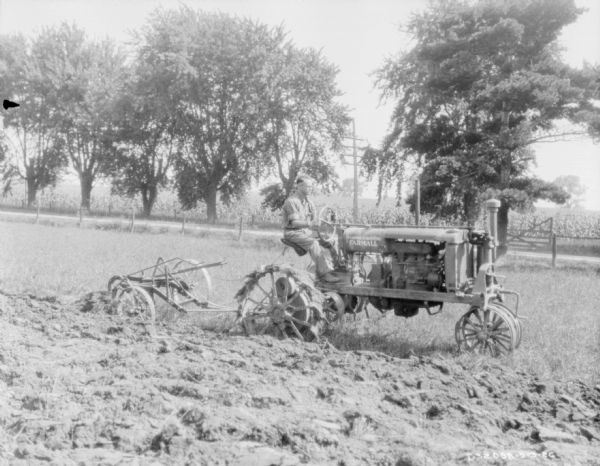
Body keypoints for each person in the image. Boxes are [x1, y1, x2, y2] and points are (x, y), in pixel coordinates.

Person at [282, 176, 341, 283]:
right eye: (308, 186)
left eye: (311, 187)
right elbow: (295, 223)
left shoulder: (309, 202)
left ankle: (338, 267)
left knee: (332, 241)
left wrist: (329, 219)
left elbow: (316, 219)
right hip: (293, 232)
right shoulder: (292, 201)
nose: (310, 189)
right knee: (313, 243)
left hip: (306, 232)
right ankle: (325, 274)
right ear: (299, 186)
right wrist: (310, 224)